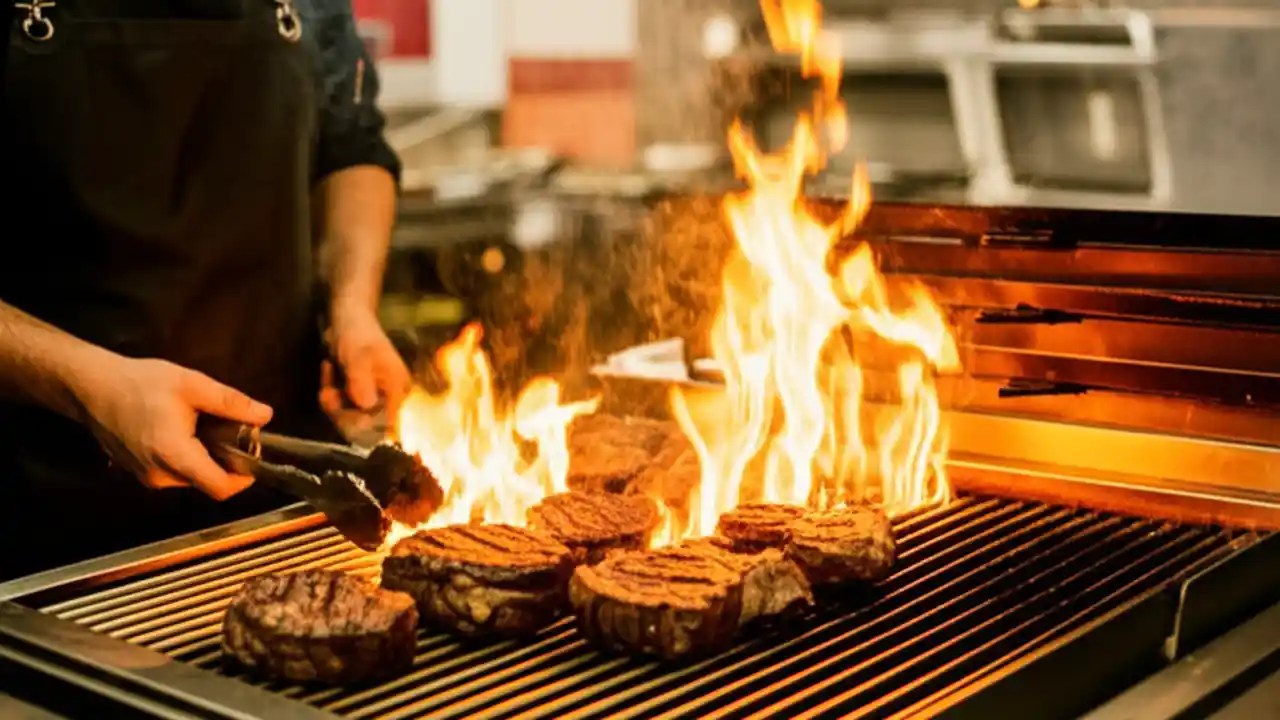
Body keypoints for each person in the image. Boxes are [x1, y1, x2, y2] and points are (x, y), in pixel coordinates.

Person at [0, 0, 413, 581]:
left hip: (286, 502)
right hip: (46, 519)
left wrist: (352, 306)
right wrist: (83, 384)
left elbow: (351, 148)